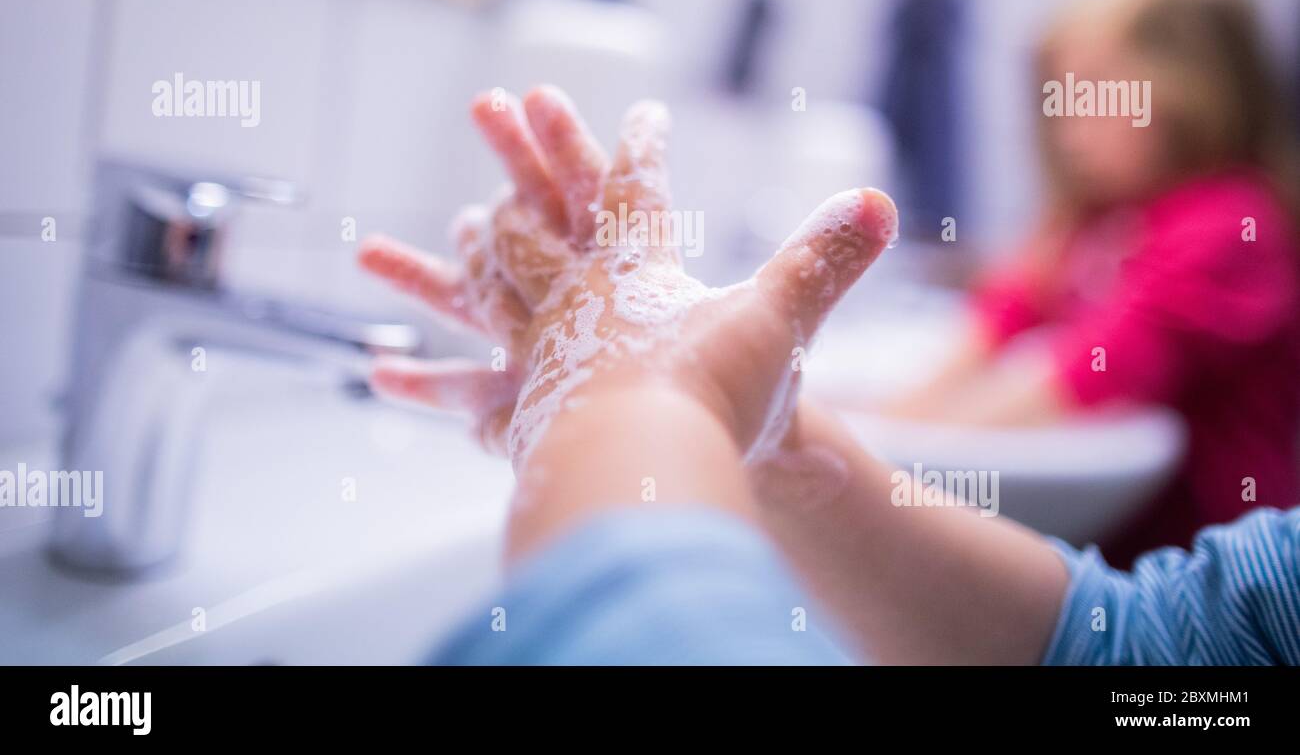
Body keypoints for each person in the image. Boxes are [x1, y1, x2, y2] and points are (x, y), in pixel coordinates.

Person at [358, 84, 1299, 665]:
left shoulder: (1222, 220)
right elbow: (1164, 665)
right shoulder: (1089, 226)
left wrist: (628, 407)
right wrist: (772, 439)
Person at [883, 0, 1300, 566]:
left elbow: (1089, 373)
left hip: (1213, 586)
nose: (1068, 130)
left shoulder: (1231, 225)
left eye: (1097, 94)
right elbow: (1004, 313)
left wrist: (899, 455)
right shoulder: (1100, 217)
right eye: (1059, 98)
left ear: (1191, 94)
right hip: (1125, 558)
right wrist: (897, 417)